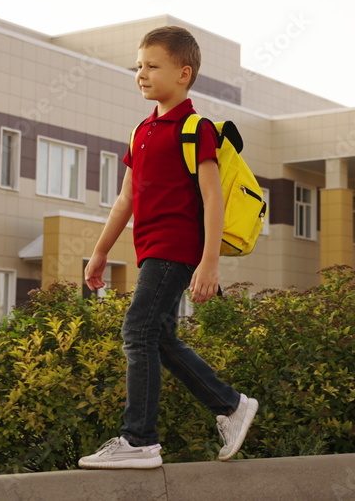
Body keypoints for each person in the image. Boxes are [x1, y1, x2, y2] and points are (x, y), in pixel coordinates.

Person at [78, 26, 258, 469]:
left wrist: (209, 263)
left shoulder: (196, 129)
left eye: (152, 66)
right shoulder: (141, 130)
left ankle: (139, 440)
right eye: (139, 65)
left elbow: (213, 199)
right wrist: (100, 252)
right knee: (157, 335)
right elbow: (126, 198)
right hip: (150, 249)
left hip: (176, 247)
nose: (141, 73)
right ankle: (231, 405)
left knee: (137, 330)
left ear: (183, 73)